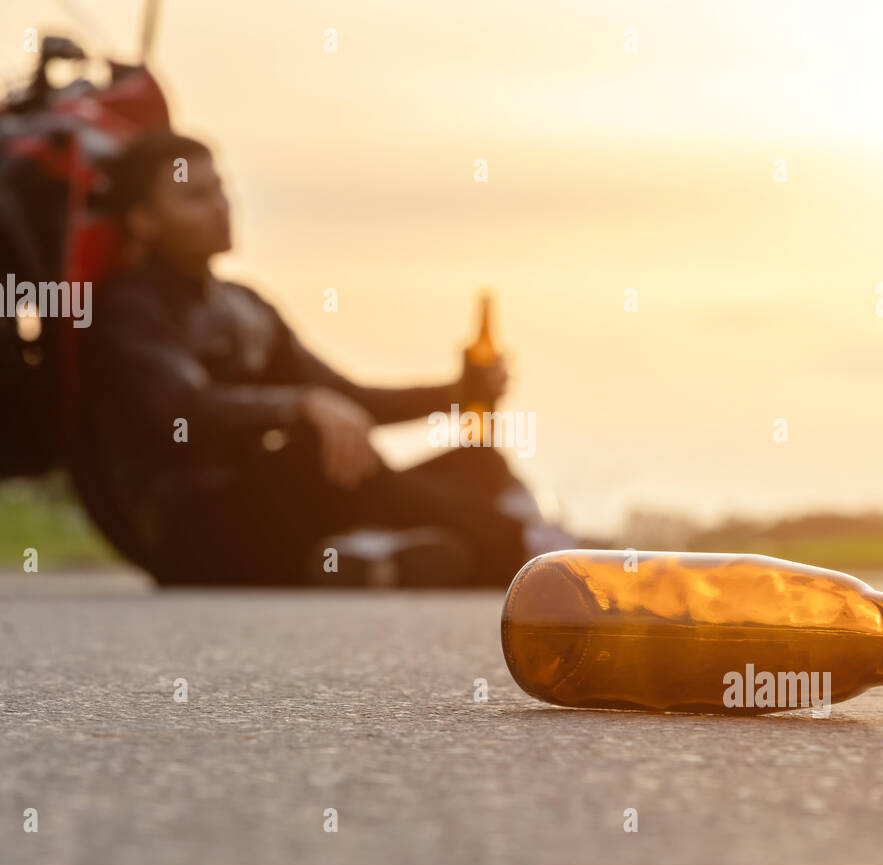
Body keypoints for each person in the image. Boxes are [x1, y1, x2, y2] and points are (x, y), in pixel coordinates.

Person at [80, 131, 572, 587]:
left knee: (478, 462)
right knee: (315, 448)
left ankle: (373, 555)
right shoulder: (130, 308)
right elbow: (185, 409)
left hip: (282, 521)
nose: (220, 207)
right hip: (197, 533)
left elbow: (348, 398)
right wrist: (301, 406)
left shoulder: (244, 304)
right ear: (143, 219)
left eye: (219, 190)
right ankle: (524, 549)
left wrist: (460, 393)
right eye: (195, 197)